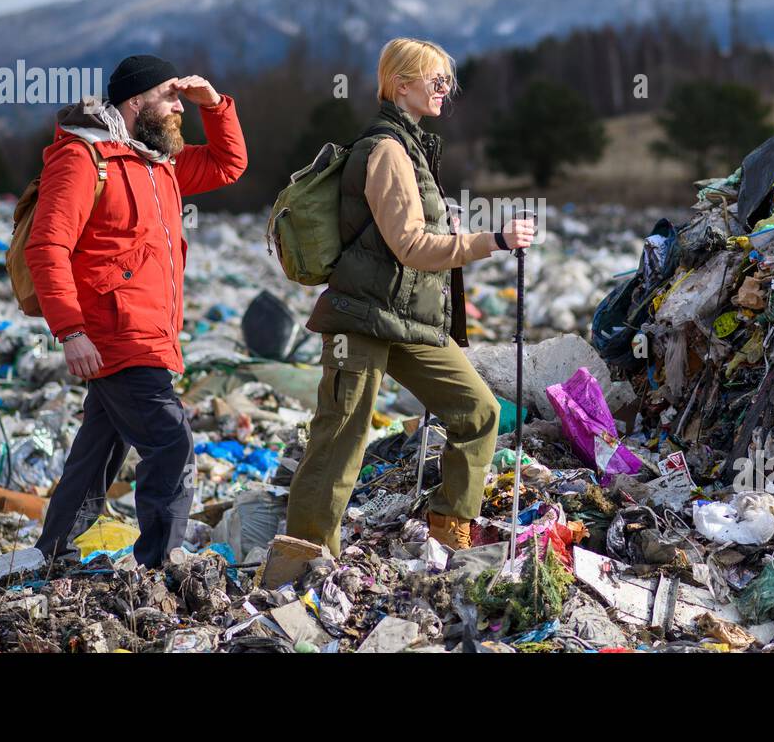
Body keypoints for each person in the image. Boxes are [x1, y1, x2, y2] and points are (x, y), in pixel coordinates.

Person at [286, 37, 534, 554]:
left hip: (406, 320)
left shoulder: (412, 146)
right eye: (436, 80)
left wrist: (452, 229)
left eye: (450, 81)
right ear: (401, 85)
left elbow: (407, 236)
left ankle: (449, 529)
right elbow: (412, 247)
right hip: (360, 317)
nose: (447, 89)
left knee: (478, 411)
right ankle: (301, 561)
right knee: (340, 441)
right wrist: (495, 241)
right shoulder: (388, 150)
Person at [28, 55, 247, 567]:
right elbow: (47, 246)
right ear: (135, 101)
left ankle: (51, 553)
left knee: (98, 455)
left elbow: (228, 164)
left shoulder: (158, 162)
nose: (178, 107)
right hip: (114, 333)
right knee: (171, 445)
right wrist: (70, 330)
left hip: (149, 332)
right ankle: (159, 566)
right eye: (170, 97)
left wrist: (214, 104)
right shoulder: (83, 159)